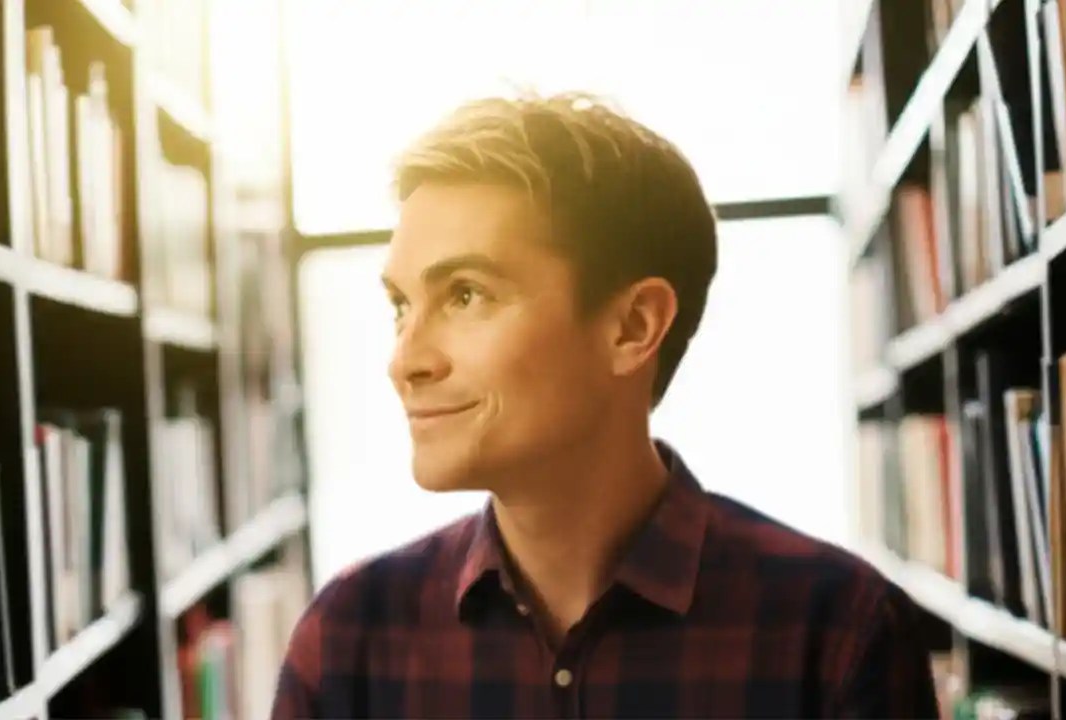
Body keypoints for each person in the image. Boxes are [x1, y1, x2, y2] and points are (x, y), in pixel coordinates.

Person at [271, 91, 940, 719]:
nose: (405, 361)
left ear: (632, 327)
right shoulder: (348, 639)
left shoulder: (840, 635)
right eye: (401, 305)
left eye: (466, 295)